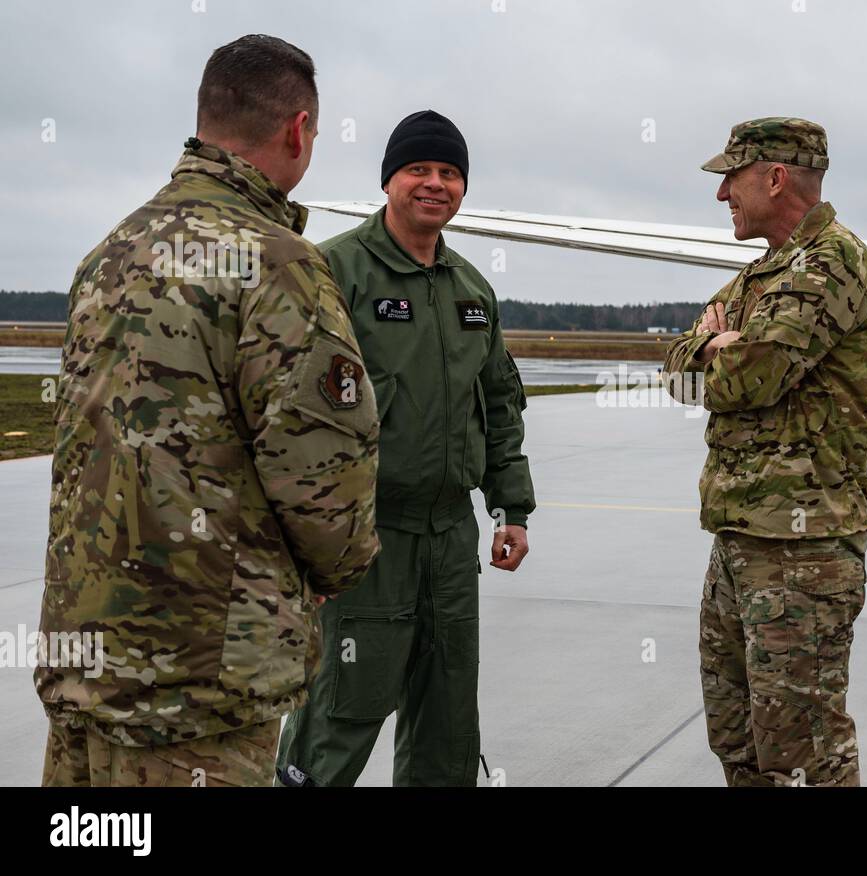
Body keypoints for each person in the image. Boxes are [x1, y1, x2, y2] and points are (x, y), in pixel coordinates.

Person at [37, 34, 380, 787]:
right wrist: (338, 568)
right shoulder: (279, 263)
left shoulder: (110, 251)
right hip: (201, 684)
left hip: (85, 658)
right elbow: (322, 477)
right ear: (297, 130)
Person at [275, 110, 535, 787]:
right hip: (366, 541)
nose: (435, 183)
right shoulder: (337, 270)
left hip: (450, 539)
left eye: (449, 172)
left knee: (448, 722)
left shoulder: (471, 290)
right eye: (419, 169)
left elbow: (500, 405)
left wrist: (512, 510)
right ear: (389, 179)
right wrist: (312, 541)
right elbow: (294, 413)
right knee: (342, 709)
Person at [662, 117, 867, 786]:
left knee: (805, 749)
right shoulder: (762, 274)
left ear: (775, 177)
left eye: (729, 178)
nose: (721, 194)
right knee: (738, 739)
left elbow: (755, 376)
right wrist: (708, 347)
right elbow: (675, 372)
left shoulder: (833, 261)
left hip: (803, 551)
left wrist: (723, 350)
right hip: (738, 538)